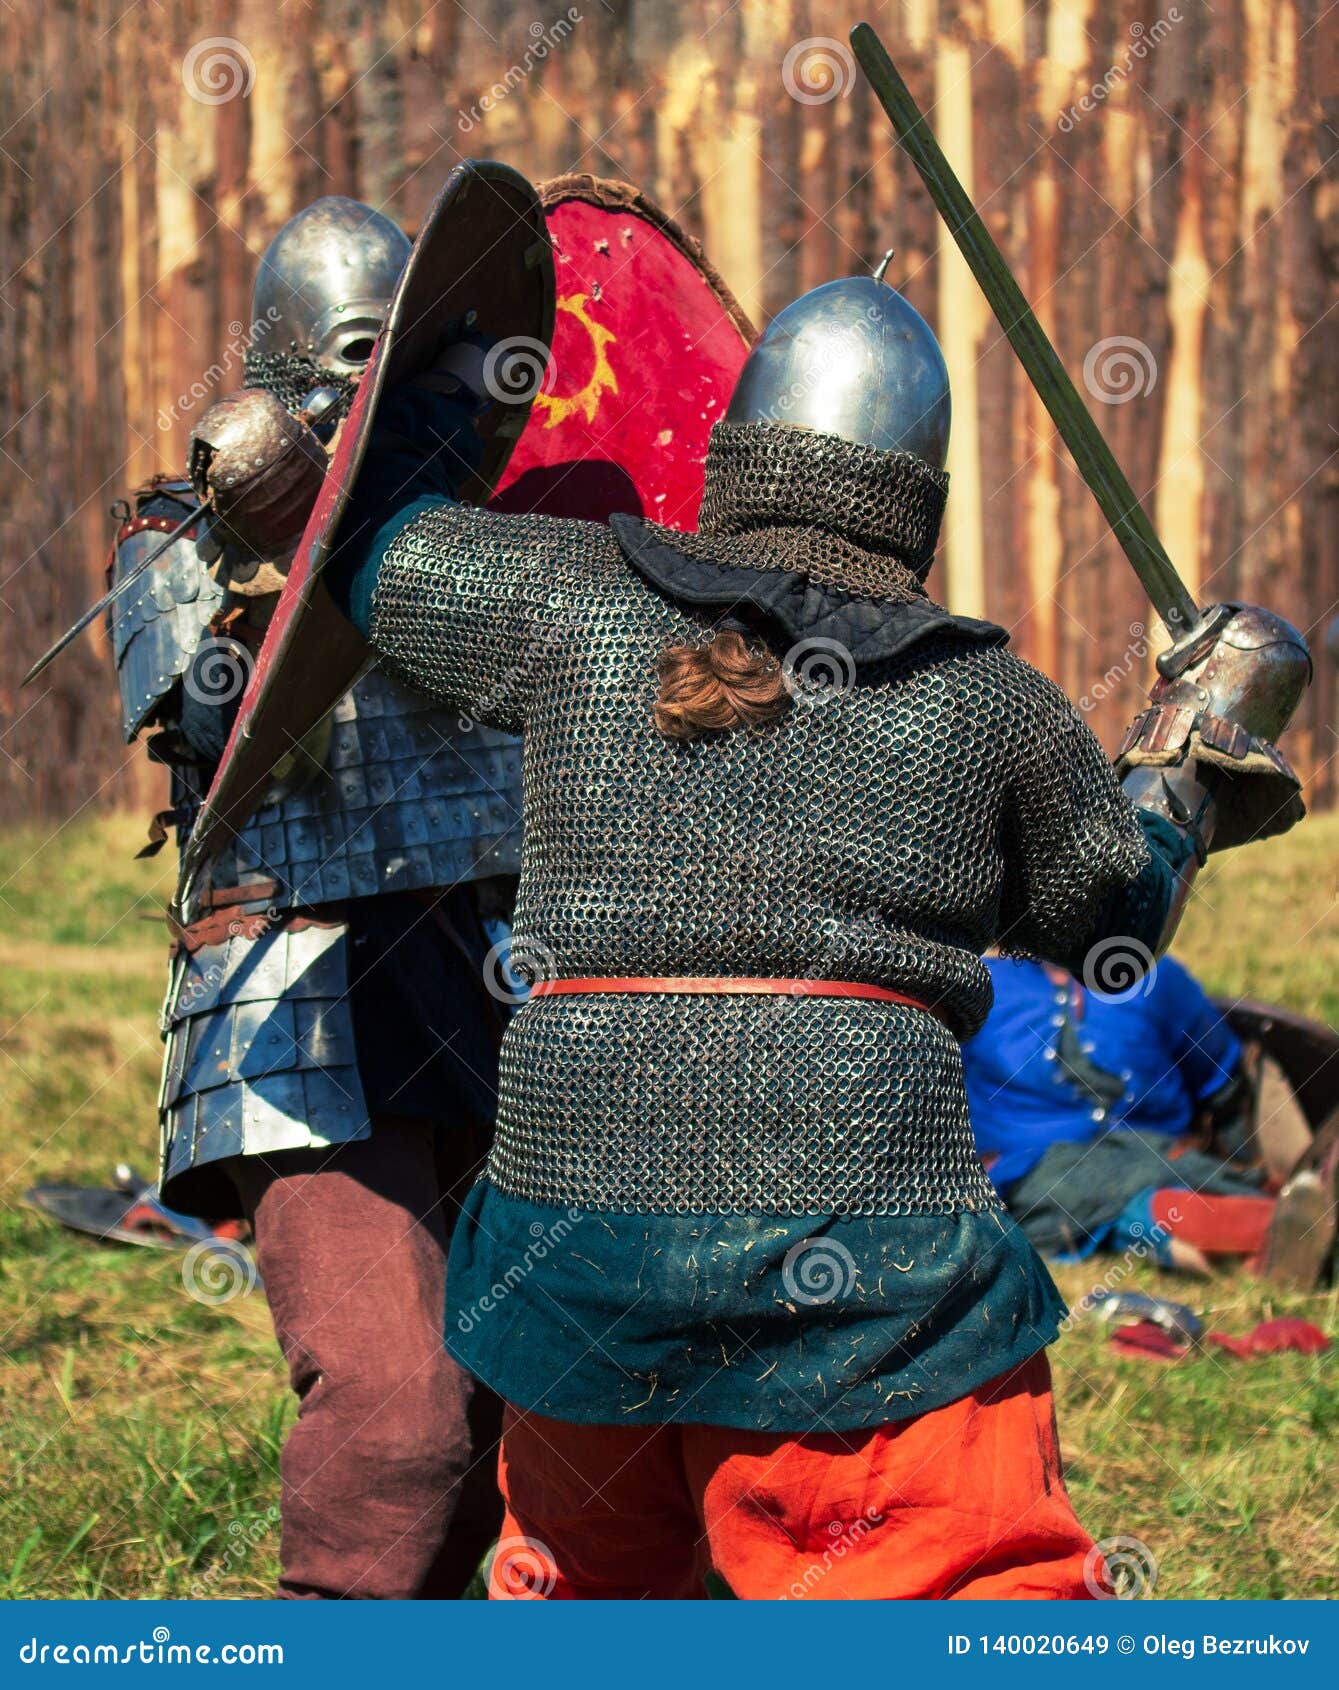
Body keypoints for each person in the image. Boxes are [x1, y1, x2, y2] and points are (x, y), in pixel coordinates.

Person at [308, 258, 1304, 1599]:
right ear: (919, 493)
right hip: (867, 1299)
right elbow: (1113, 905)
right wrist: (1193, 750)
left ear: (735, 446)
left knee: (603, 1620)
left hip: (576, 1279)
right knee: (965, 1621)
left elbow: (365, 546)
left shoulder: (563, 602)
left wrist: (426, 387)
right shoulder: (984, 705)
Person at [110, 198, 521, 1598]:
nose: (381, 385)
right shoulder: (182, 535)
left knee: (515, 1398)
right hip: (291, 998)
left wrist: (424, 475)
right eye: (360, 352)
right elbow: (221, 717)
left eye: (403, 354)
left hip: (477, 980)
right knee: (397, 1409)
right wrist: (308, 521)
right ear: (293, 356)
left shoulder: (477, 543)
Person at [962, 955, 1274, 1272]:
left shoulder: (1157, 978)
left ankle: (1250, 1220)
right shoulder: (980, 986)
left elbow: (1222, 1085)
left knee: (1176, 1171)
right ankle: (1180, 1223)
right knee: (1068, 1189)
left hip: (1156, 1156)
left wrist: (1250, 1160)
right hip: (1030, 1178)